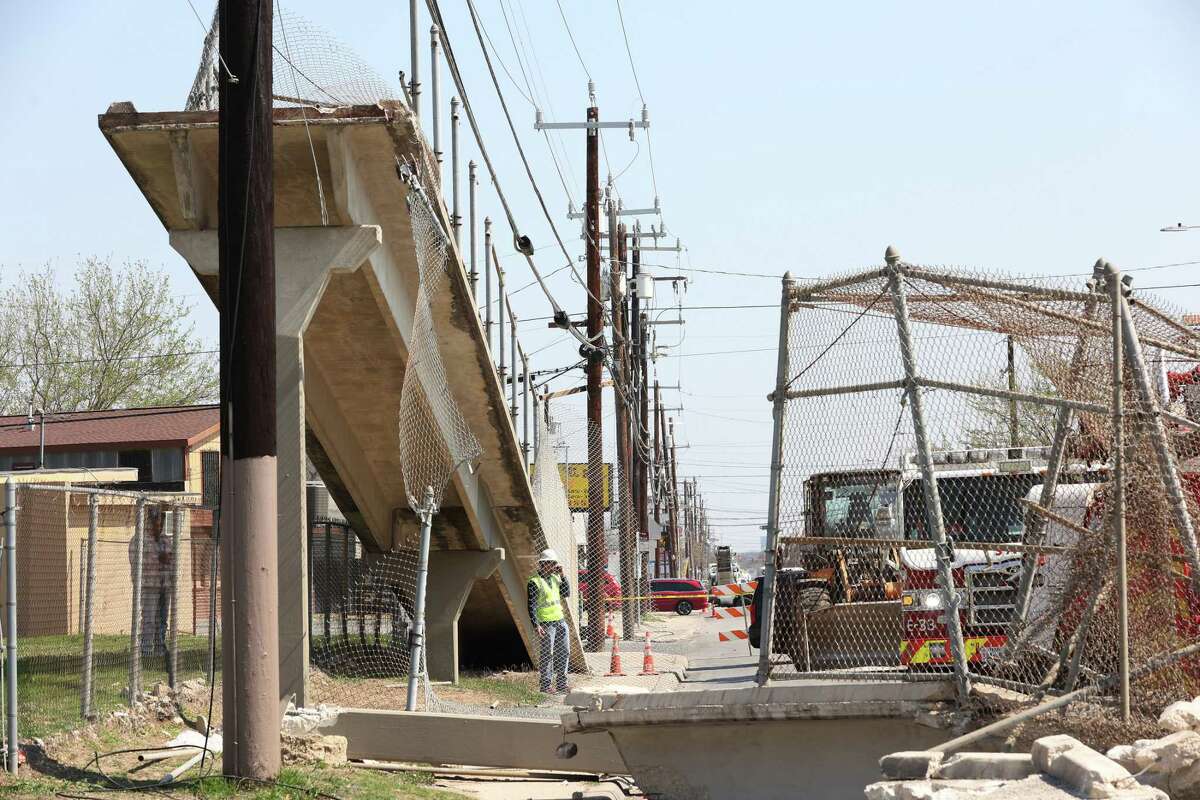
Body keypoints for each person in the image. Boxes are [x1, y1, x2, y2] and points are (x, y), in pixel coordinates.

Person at [527, 549, 570, 694]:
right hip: (546, 623)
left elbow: (566, 593)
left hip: (560, 621)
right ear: (543, 564)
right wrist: (536, 624)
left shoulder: (555, 578)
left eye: (554, 564)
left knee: (564, 652)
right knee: (547, 654)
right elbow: (531, 605)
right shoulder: (534, 582)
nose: (553, 566)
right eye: (551, 564)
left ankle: (562, 685)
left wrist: (562, 575)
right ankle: (545, 686)